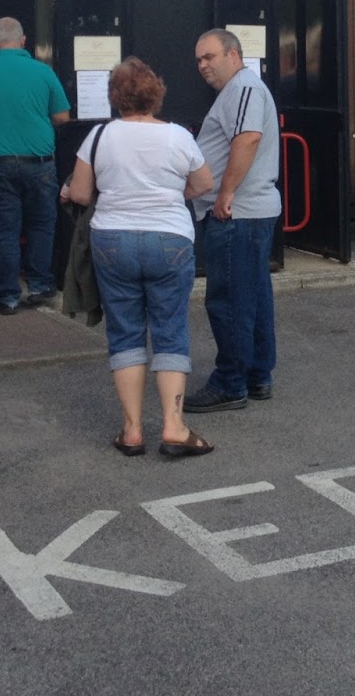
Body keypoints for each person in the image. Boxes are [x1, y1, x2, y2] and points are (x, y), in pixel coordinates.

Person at [67, 59, 216, 458]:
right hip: (170, 239)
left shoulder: (99, 135)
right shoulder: (179, 136)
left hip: (112, 240)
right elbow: (204, 184)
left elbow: (80, 193)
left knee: (125, 332)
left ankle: (132, 430)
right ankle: (174, 426)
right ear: (156, 95)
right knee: (171, 329)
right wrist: (170, 197)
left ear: (115, 97)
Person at [183, 29, 283, 413]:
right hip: (246, 213)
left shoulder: (243, 88)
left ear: (234, 55)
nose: (202, 65)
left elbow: (247, 138)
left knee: (228, 300)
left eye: (209, 57)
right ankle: (257, 374)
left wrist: (225, 195)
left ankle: (230, 382)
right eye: (198, 59)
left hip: (236, 214)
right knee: (252, 295)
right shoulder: (238, 90)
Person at [0, 17, 70, 315]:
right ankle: (40, 286)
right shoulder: (43, 72)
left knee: (4, 230)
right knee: (42, 224)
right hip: (40, 163)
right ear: (23, 41)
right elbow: (62, 116)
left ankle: (7, 297)